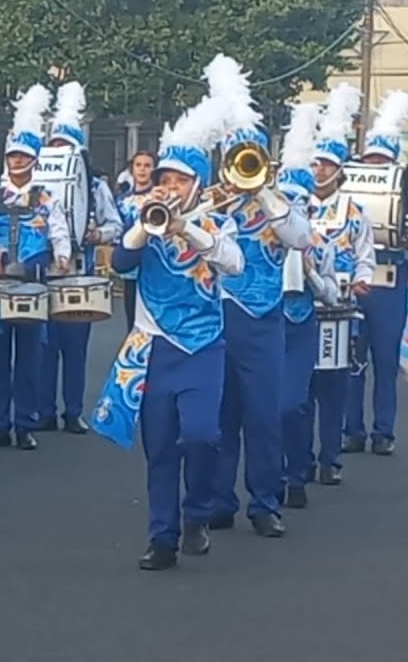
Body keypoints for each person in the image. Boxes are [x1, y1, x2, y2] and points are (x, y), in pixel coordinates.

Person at [92, 91, 244, 571]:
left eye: (180, 180)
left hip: (203, 346)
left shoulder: (218, 222)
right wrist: (148, 224)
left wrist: (186, 228)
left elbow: (234, 263)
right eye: (164, 180)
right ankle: (162, 537)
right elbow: (121, 263)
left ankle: (197, 512)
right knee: (159, 449)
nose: (170, 187)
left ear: (197, 184)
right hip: (154, 346)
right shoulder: (141, 217)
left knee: (201, 436)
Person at [203, 56, 312, 539]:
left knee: (264, 416)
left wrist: (263, 192)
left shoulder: (284, 200)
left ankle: (265, 503)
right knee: (220, 415)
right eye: (236, 158)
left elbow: (300, 239)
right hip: (218, 312)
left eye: (249, 157)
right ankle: (218, 500)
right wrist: (216, 201)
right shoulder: (211, 201)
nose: (241, 167)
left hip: (264, 318)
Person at [0, 84, 71, 451]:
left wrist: (63, 257)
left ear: (32, 159)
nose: (15, 161)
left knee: (30, 357)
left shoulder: (46, 197)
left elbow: (59, 231)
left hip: (32, 283)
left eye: (22, 156)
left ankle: (25, 424)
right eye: (12, 155)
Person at [37, 81, 121, 435]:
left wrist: (95, 235)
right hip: (41, 272)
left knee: (74, 349)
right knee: (43, 347)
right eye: (54, 147)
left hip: (78, 275)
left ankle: (73, 411)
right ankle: (43, 411)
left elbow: (115, 225)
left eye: (64, 148)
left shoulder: (94, 186)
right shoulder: (35, 186)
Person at [276, 102, 341, 509]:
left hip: (301, 325)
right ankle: (268, 481)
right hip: (265, 323)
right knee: (261, 409)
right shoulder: (259, 240)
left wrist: (312, 273)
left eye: (298, 203)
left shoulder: (320, 243)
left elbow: (332, 294)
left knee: (293, 404)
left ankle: (296, 473)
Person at [309, 84, 375, 479]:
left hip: (339, 310)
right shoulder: (294, 206)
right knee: (299, 391)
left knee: (334, 386)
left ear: (339, 171)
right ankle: (298, 461)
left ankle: (329, 459)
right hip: (301, 307)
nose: (319, 171)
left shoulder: (355, 211)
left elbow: (366, 257)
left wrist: (362, 280)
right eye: (315, 164)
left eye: (326, 165)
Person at [345, 90, 408, 456]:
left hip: (392, 277)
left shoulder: (404, 186)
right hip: (355, 277)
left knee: (385, 361)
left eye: (381, 160)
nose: (375, 165)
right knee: (352, 358)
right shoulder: (347, 187)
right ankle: (352, 430)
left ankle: (383, 431)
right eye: (370, 159)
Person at [115, 151, 155, 329]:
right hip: (130, 266)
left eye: (147, 165)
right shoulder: (122, 199)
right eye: (138, 165)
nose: (142, 169)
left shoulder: (158, 197)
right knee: (131, 316)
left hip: (152, 262)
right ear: (132, 169)